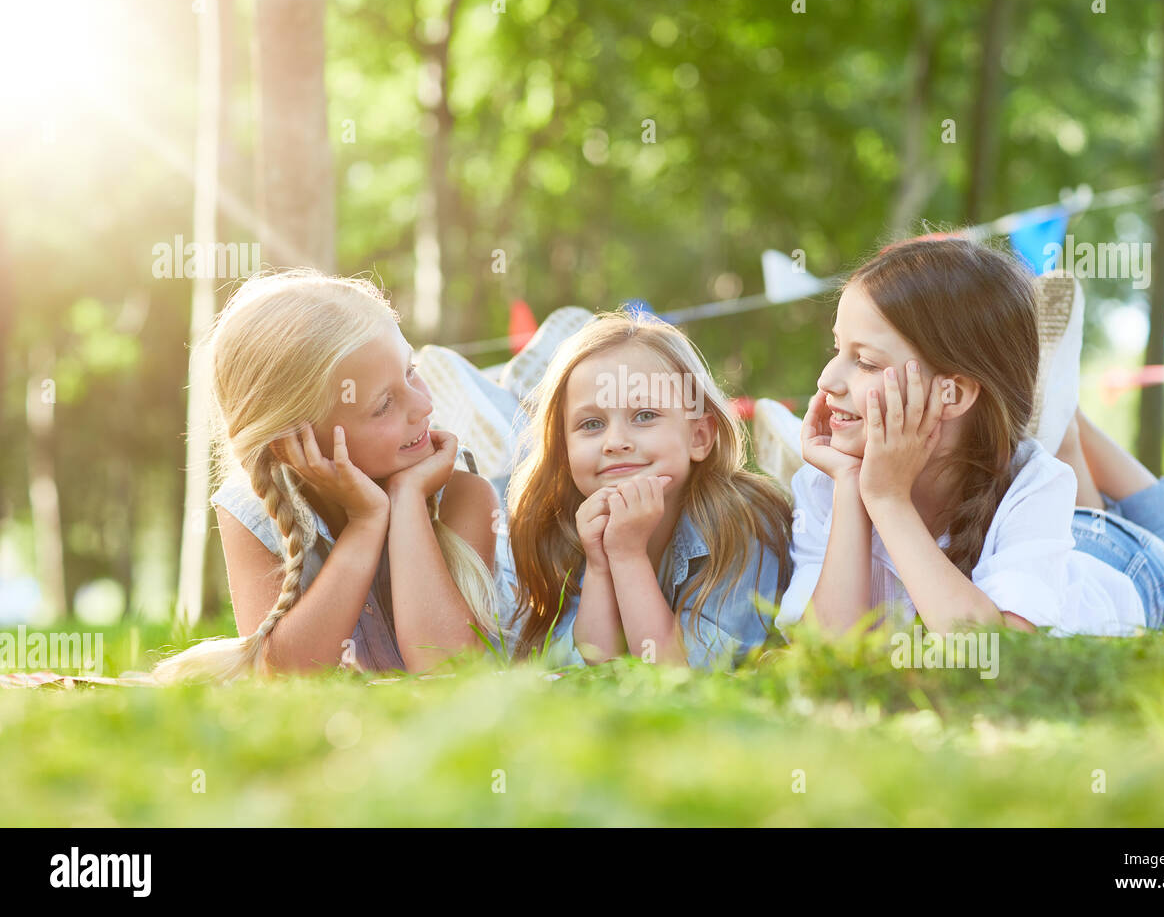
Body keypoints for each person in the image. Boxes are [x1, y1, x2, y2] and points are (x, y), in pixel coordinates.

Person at [777, 236, 1164, 639]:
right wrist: (852, 488)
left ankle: (1064, 419)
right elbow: (830, 649)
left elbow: (997, 653)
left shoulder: (1033, 482)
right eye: (837, 348)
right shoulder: (828, 485)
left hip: (1122, 565)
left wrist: (887, 499)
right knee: (1063, 489)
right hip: (1055, 541)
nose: (825, 380)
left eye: (864, 361)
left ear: (953, 393)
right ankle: (1061, 418)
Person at [152, 270, 499, 683]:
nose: (423, 404)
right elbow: (285, 679)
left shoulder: (462, 491)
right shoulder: (253, 510)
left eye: (411, 370)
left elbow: (451, 668)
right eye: (383, 404)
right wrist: (367, 523)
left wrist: (406, 500)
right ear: (296, 440)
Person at [499, 309, 792, 668]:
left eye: (644, 416)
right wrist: (599, 565)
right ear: (564, 451)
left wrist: (626, 555)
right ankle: (500, 406)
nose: (616, 442)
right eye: (591, 424)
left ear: (699, 436)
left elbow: (678, 676)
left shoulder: (741, 525)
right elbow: (591, 669)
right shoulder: (562, 527)